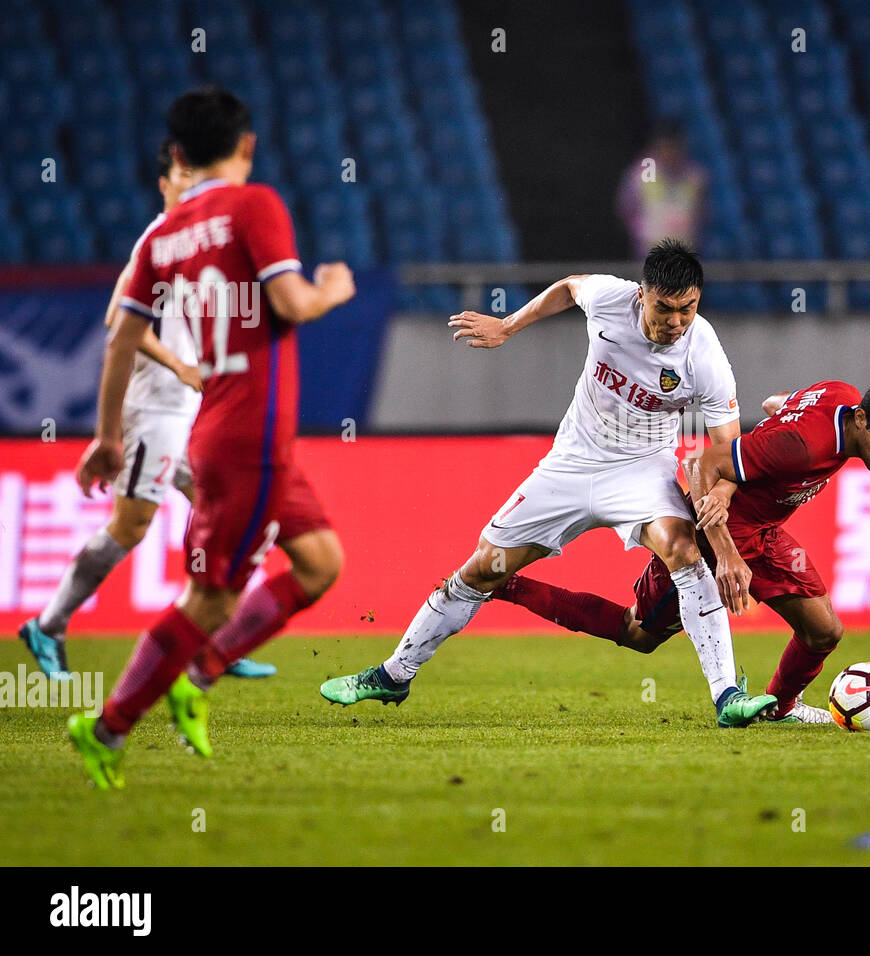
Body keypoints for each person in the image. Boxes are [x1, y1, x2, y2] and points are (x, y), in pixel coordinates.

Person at [320, 239, 777, 727]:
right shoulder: (608, 297)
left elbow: (723, 454)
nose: (676, 322)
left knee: (683, 551)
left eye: (687, 309)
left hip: (642, 468)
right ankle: (394, 673)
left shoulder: (704, 355)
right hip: (570, 464)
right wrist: (508, 326)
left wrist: (724, 533)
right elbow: (567, 288)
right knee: (484, 568)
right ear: (642, 295)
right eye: (665, 309)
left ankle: (726, 696)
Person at [69, 86, 355, 788]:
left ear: (177, 154)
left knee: (320, 561)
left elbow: (121, 340)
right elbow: (292, 303)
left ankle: (198, 675)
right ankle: (108, 726)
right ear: (247, 146)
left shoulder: (163, 235)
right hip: (246, 438)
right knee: (212, 600)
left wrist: (109, 436)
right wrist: (332, 290)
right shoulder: (255, 203)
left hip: (226, 429)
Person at [493, 377, 870, 724]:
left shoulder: (840, 395)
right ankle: (508, 584)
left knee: (824, 631)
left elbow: (778, 404)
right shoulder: (802, 447)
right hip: (710, 535)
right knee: (638, 634)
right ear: (861, 418)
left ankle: (781, 707)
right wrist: (727, 553)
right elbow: (700, 463)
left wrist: (751, 461)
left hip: (765, 533)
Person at [19, 138, 274, 682]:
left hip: (190, 409)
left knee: (224, 513)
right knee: (131, 526)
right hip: (154, 407)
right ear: (164, 184)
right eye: (181, 177)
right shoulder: (156, 242)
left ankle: (206, 633)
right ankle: (48, 623)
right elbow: (119, 319)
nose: (191, 186)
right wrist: (178, 364)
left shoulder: (196, 244)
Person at [616, 120, 707, 259]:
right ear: (657, 147)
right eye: (665, 147)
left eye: (673, 147)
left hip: (684, 253)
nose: (669, 153)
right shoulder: (642, 173)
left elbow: (702, 212)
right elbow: (626, 209)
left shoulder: (694, 175)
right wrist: (641, 234)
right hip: (648, 252)